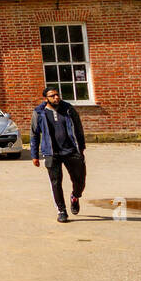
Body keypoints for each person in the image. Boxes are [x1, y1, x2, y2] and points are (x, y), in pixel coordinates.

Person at [30, 87, 88, 223]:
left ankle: (75, 196)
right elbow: (34, 134)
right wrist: (34, 155)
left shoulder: (68, 109)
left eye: (57, 95)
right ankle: (61, 210)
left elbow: (79, 129)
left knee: (80, 180)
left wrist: (81, 149)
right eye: (52, 96)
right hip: (51, 153)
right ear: (46, 99)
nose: (56, 98)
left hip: (71, 151)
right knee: (56, 182)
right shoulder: (39, 112)